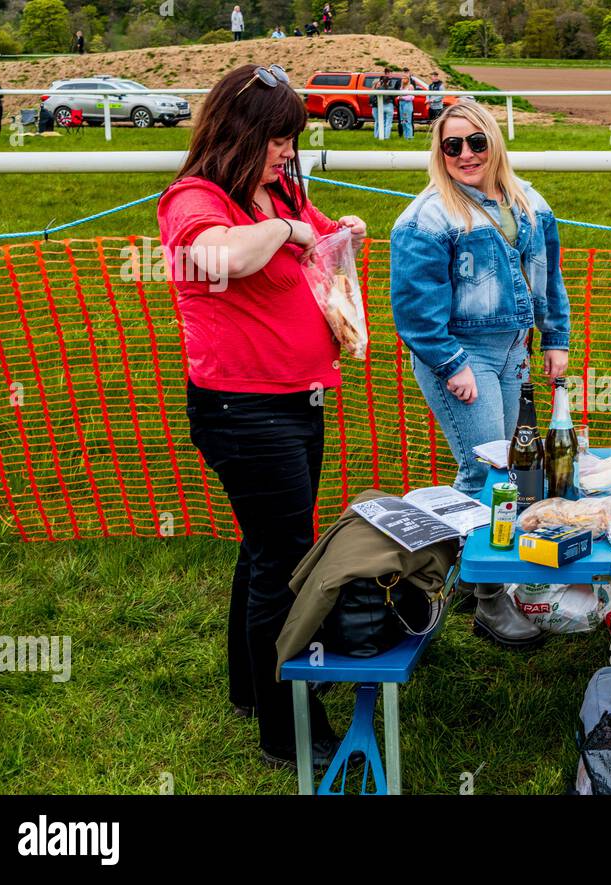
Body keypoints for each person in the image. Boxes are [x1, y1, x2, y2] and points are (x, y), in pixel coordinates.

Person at [156, 63, 367, 770]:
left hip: (296, 395)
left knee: (264, 549)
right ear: (241, 130)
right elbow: (220, 255)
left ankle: (250, 688)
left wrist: (346, 236)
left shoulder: (277, 191)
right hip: (243, 409)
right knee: (285, 561)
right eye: (278, 137)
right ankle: (290, 728)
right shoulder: (196, 199)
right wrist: (284, 230)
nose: (287, 150)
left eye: (292, 138)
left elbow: (323, 242)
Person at [389, 101, 570, 648]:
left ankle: (469, 574)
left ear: (494, 143)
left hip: (513, 351)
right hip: (462, 355)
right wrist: (452, 365)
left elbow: (549, 274)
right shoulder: (426, 219)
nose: (465, 154)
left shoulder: (528, 201)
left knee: (513, 466)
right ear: (439, 153)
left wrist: (555, 339)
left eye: (475, 143)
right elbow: (415, 310)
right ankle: (488, 601)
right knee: (485, 473)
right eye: (451, 146)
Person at [395, 67, 425, 140]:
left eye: (405, 78)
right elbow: (398, 96)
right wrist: (399, 98)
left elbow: (412, 97)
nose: (403, 79)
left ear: (408, 79)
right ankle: (406, 137)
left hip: (407, 105)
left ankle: (410, 137)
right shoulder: (401, 87)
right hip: (401, 104)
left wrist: (402, 98)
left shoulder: (410, 86)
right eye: (402, 78)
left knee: (408, 121)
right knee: (403, 121)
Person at [373, 67, 396, 140]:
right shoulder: (391, 88)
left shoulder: (379, 87)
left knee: (381, 121)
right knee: (388, 123)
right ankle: (386, 137)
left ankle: (378, 136)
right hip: (389, 105)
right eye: (390, 73)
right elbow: (394, 96)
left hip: (381, 105)